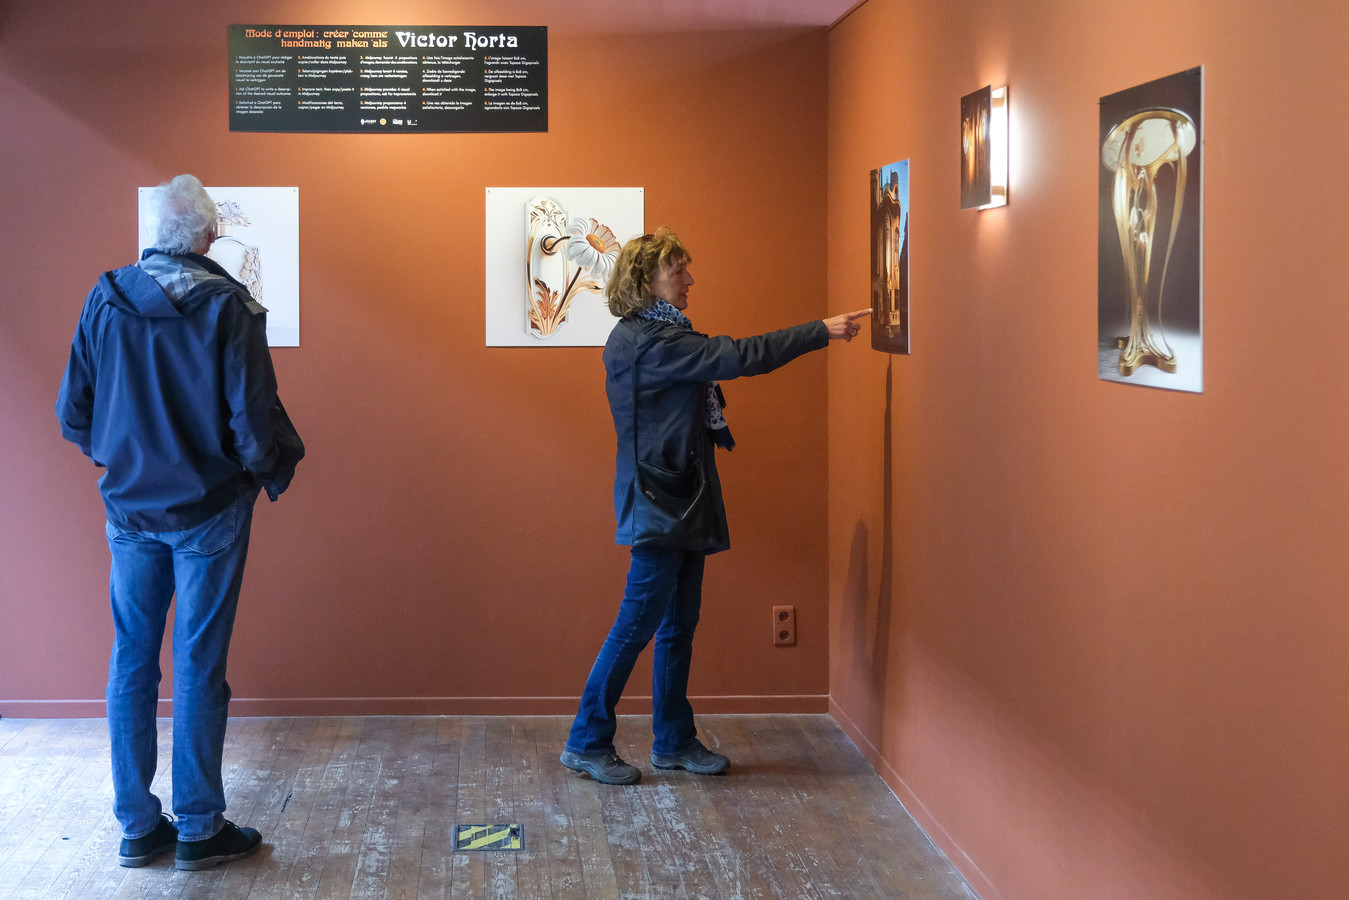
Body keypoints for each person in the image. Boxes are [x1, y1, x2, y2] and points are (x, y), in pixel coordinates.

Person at [560, 227, 870, 784]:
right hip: (662, 504)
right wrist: (819, 332)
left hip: (676, 497)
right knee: (636, 626)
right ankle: (587, 739)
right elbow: (741, 357)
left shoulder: (649, 335)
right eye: (678, 271)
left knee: (678, 626)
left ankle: (673, 740)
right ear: (646, 280)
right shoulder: (654, 344)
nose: (690, 280)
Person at [56, 174, 303, 870]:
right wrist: (257, 474)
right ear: (209, 234)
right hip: (208, 510)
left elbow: (72, 412)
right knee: (198, 664)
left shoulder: (103, 300)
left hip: (129, 508)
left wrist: (124, 458)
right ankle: (198, 827)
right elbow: (253, 425)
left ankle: (138, 825)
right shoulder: (228, 306)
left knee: (132, 659)